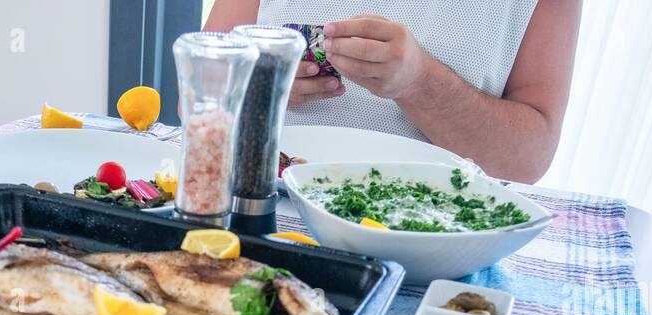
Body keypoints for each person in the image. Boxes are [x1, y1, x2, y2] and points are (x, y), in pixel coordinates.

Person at [204, 1, 581, 182]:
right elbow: (200, 95)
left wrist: (420, 83)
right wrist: (253, 90)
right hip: (261, 209)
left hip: (433, 237)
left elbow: (528, 159)